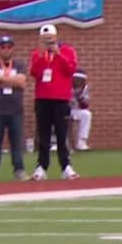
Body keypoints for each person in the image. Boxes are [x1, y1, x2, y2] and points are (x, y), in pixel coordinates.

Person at [28, 24, 79, 180]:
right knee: (43, 136)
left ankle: (66, 166)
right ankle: (42, 167)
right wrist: (42, 55)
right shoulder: (38, 53)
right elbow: (34, 72)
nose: (48, 42)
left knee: (61, 135)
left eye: (50, 39)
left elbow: (70, 70)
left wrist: (58, 54)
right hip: (42, 99)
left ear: (56, 37)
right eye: (45, 39)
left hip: (61, 99)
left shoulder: (68, 51)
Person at [0, 35, 28, 181]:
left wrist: (1, 80)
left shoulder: (19, 64)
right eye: (3, 47)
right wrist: (11, 81)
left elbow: (21, 81)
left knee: (17, 142)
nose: (6, 50)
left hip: (16, 110)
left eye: (8, 47)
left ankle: (19, 170)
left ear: (12, 48)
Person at [68, 68, 92, 152]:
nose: (78, 82)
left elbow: (85, 106)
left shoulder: (85, 88)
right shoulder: (66, 85)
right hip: (65, 109)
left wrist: (79, 97)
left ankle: (81, 142)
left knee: (86, 114)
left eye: (81, 80)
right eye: (76, 79)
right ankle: (58, 143)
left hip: (76, 110)